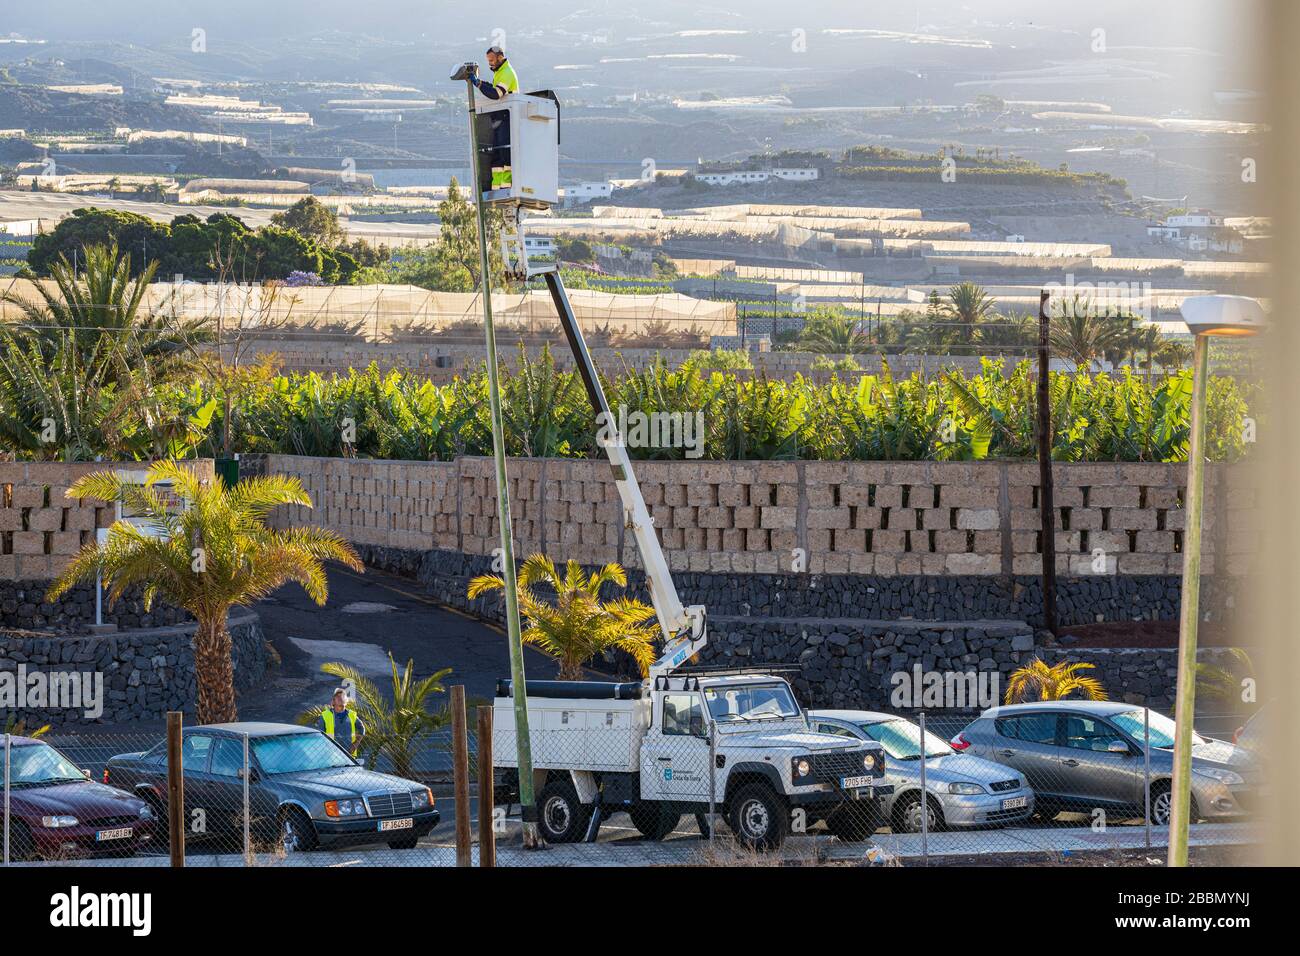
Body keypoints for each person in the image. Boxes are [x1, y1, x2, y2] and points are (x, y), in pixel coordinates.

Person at [470, 45, 520, 190]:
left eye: (492, 59)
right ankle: (497, 187)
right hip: (500, 119)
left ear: (500, 57)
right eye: (488, 60)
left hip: (507, 118)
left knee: (504, 153)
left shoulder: (507, 73)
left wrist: (478, 84)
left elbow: (496, 94)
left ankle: (506, 187)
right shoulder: (500, 72)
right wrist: (479, 82)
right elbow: (492, 88)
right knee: (497, 155)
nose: (490, 63)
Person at [319, 687, 365, 757]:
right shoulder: (325, 715)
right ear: (333, 701)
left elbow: (362, 729)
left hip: (349, 755)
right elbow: (321, 735)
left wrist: (356, 743)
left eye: (343, 696)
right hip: (331, 755)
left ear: (346, 701)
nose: (341, 697)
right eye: (338, 697)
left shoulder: (352, 715)